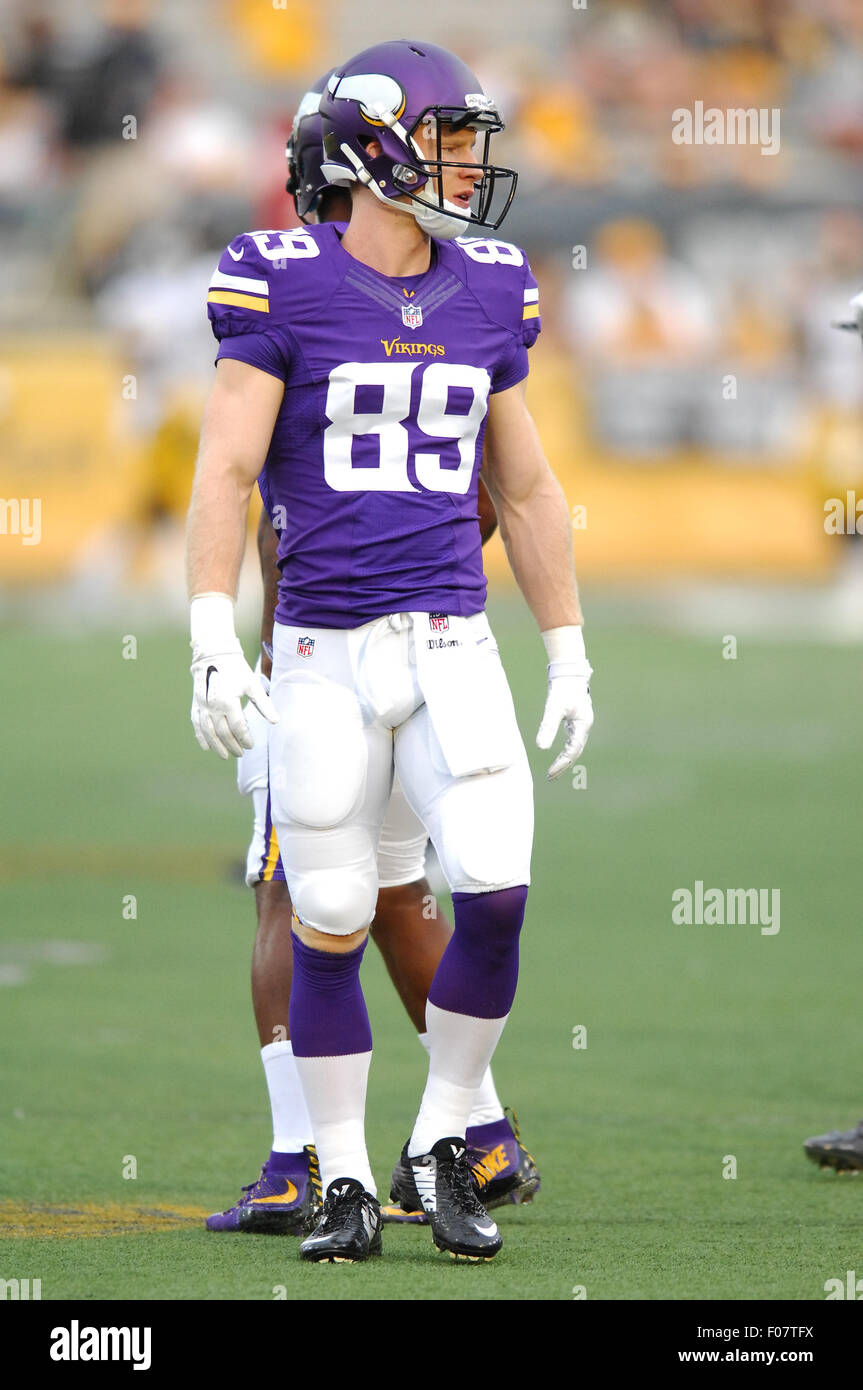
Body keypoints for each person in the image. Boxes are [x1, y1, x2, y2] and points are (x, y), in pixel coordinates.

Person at [186, 40, 593, 1263]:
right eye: (447, 138)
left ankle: (444, 1136)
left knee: (494, 890)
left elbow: (523, 489)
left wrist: (566, 646)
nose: (470, 166)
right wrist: (212, 629)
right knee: (324, 901)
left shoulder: (489, 286)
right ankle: (345, 1180)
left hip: (450, 639)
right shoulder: (279, 278)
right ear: (372, 146)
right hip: (319, 644)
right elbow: (229, 468)